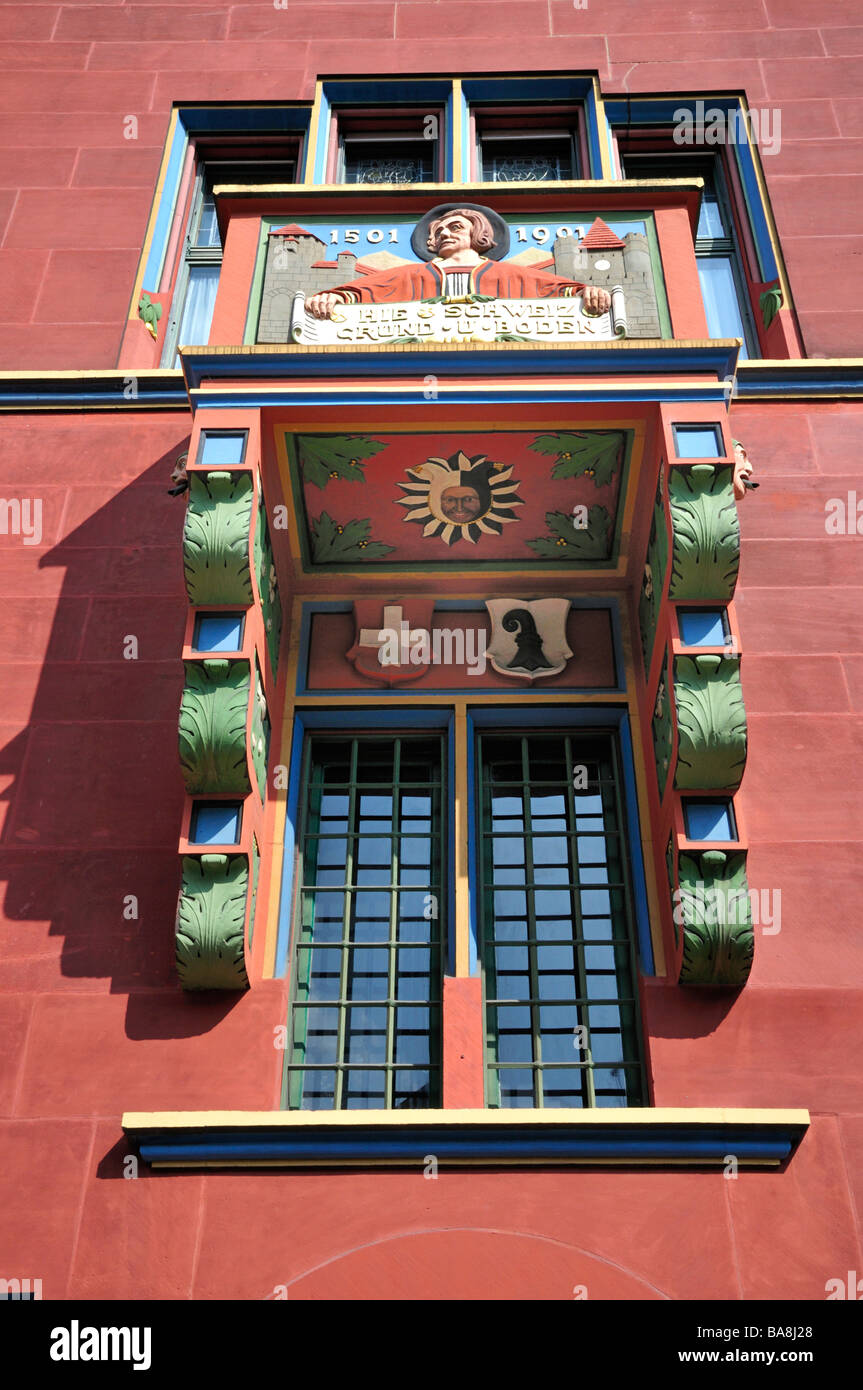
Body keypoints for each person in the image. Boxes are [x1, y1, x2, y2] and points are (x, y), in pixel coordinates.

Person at [307, 206, 612, 319]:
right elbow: (368, 289)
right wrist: (333, 296)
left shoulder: (508, 273)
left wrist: (587, 293)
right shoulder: (411, 274)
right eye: (437, 231)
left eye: (454, 228)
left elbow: (550, 287)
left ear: (477, 233)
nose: (444, 234)